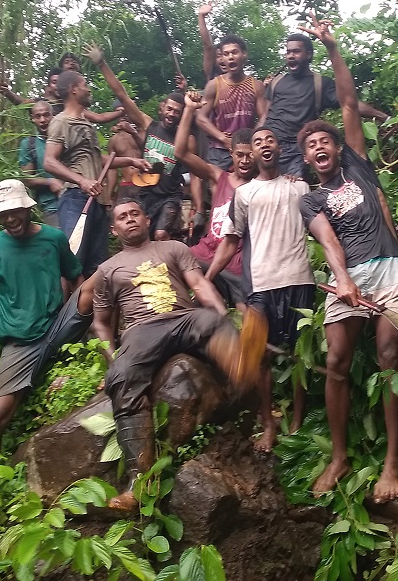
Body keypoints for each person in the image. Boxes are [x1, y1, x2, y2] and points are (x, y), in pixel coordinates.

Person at [297, 15, 398, 503]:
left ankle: (391, 462)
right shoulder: (311, 198)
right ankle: (340, 457)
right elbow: (327, 241)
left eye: (324, 140)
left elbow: (347, 102)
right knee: (336, 361)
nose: (319, 146)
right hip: (350, 277)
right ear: (307, 159)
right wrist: (343, 280)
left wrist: (331, 46)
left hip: (389, 268)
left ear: (337, 148)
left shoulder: (359, 168)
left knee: (389, 357)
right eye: (310, 145)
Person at [91, 198, 261, 511]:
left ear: (146, 219)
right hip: (141, 330)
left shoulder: (174, 248)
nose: (130, 219)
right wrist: (112, 361)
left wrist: (222, 315)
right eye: (123, 217)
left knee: (210, 321)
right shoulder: (106, 270)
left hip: (183, 317)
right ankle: (140, 484)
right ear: (114, 229)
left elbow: (199, 283)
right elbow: (101, 323)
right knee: (123, 377)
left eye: (135, 214)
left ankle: (243, 367)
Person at [0, 180, 94, 457]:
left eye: (15, 211)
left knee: (97, 282)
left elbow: (76, 278)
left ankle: (104, 342)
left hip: (58, 323)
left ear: (28, 208)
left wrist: (87, 324)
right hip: (21, 341)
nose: (10, 219)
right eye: (4, 214)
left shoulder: (53, 238)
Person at [206, 126, 314, 451]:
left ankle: (297, 420)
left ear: (279, 148)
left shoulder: (300, 187)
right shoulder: (244, 194)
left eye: (270, 139)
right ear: (251, 153)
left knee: (300, 354)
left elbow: (320, 228)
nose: (264, 144)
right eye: (258, 141)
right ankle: (268, 424)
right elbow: (230, 241)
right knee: (261, 356)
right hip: (261, 284)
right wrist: (207, 278)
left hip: (299, 279)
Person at [85, 44, 204, 241]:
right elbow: (122, 95)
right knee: (142, 237)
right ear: (162, 108)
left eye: (177, 112)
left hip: (170, 195)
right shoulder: (149, 124)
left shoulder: (187, 139)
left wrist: (199, 209)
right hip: (144, 192)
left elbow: (196, 175)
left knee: (160, 234)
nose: (172, 114)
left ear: (183, 114)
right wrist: (101, 63)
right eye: (169, 109)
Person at [43, 70, 151, 276]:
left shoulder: (85, 123)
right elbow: (49, 161)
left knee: (97, 266)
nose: (89, 89)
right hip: (75, 197)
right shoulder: (60, 122)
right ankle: (66, 299)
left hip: (97, 201)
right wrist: (81, 181)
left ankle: (90, 299)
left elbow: (98, 159)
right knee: (73, 261)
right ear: (74, 89)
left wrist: (131, 160)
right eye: (85, 84)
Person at [259, 34, 388, 176]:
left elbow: (350, 104)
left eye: (296, 51)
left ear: (308, 54)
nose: (291, 56)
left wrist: (384, 117)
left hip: (297, 153)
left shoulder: (321, 84)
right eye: (288, 52)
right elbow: (265, 116)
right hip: (269, 147)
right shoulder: (276, 82)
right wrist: (251, 140)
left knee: (294, 188)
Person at [175, 92, 256, 311]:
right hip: (205, 250)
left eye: (250, 155)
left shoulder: (260, 185)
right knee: (170, 265)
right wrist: (189, 110)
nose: (245, 160)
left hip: (236, 260)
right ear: (231, 153)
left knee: (244, 310)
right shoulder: (219, 177)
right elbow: (180, 152)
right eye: (240, 154)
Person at [196, 35, 268, 171]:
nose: (230, 57)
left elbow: (264, 116)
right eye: (226, 54)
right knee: (219, 184)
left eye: (234, 52)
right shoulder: (214, 85)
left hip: (248, 150)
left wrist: (252, 137)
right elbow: (201, 118)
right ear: (222, 58)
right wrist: (223, 139)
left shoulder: (256, 85)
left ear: (244, 54)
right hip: (220, 150)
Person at [18, 101, 62, 226]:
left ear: (53, 116)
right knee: (58, 238)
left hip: (76, 201)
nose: (42, 120)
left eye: (46, 115)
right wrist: (50, 182)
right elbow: (26, 179)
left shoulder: (66, 138)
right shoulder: (29, 144)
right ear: (32, 119)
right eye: (38, 116)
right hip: (51, 207)